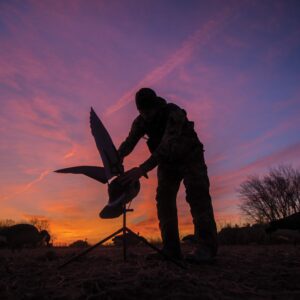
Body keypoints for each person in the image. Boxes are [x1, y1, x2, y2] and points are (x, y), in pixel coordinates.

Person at [118, 88, 218, 262]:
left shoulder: (173, 113)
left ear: (156, 105)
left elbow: (166, 146)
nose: (146, 115)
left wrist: (142, 169)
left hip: (190, 156)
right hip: (167, 163)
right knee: (164, 200)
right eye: (142, 111)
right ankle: (171, 249)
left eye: (148, 111)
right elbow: (129, 142)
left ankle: (206, 248)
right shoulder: (141, 121)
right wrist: (117, 157)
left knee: (197, 196)